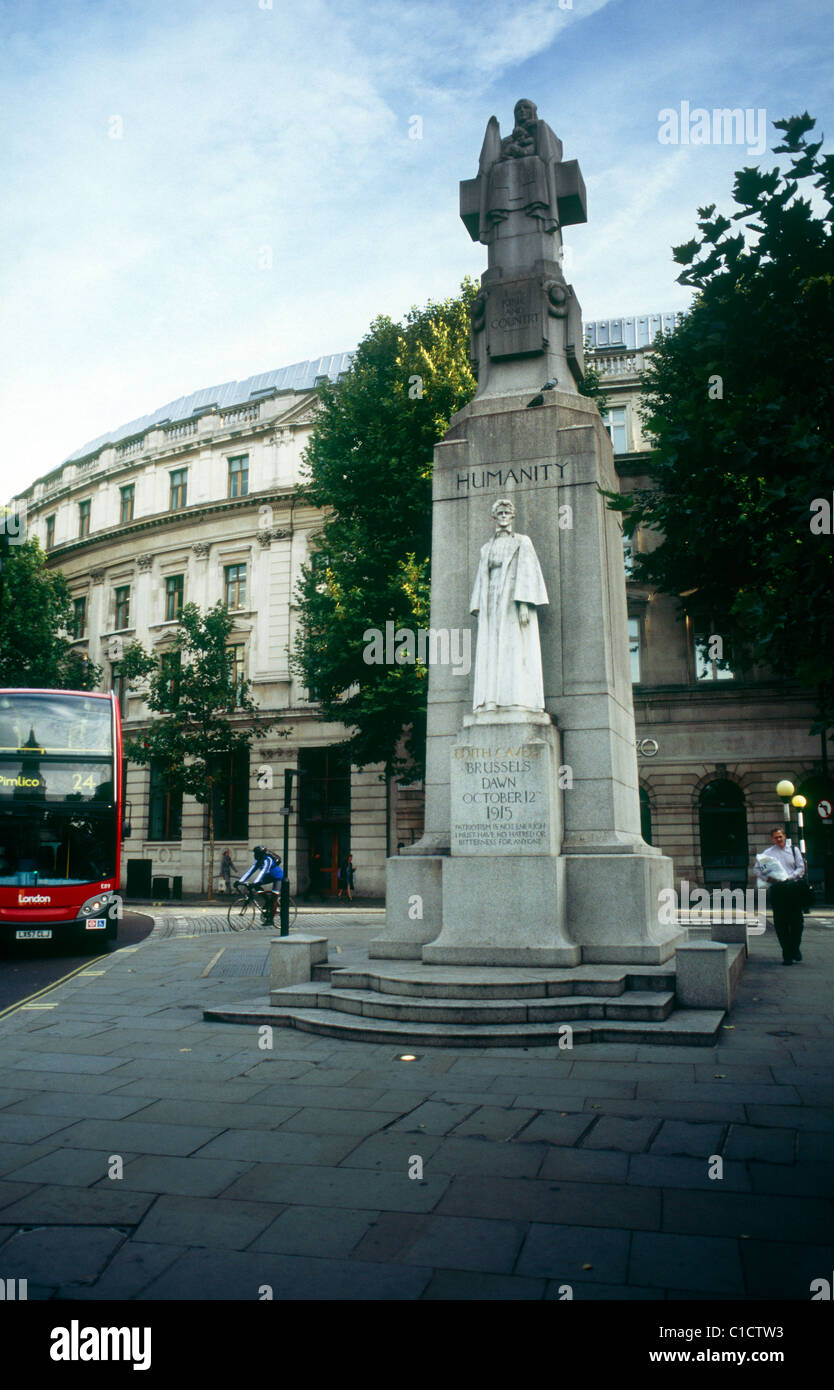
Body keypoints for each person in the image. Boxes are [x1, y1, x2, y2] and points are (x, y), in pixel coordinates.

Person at [755, 826, 807, 965]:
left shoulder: (794, 851)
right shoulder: (768, 853)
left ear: (784, 836)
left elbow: (801, 867)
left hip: (793, 888)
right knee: (781, 923)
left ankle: (794, 948)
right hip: (778, 890)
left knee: (797, 923)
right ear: (772, 839)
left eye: (780, 836)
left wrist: (789, 877)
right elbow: (757, 868)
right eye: (775, 837)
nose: (779, 839)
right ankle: (787, 954)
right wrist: (767, 878)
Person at [237, 845, 283, 925]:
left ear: (261, 854)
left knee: (274, 896)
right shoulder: (258, 860)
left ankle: (270, 919)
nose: (255, 855)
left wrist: (255, 882)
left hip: (277, 876)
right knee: (256, 886)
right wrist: (240, 881)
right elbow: (250, 871)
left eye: (256, 854)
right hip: (268, 876)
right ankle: (267, 900)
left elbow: (263, 872)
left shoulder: (267, 860)